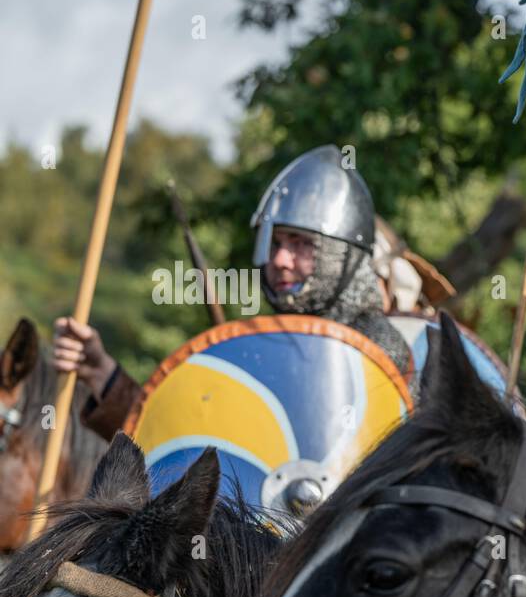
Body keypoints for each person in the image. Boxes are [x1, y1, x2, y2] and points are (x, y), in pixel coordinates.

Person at [54, 145, 414, 441]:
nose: (280, 259)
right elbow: (181, 442)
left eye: (301, 244)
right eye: (274, 242)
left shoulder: (380, 349)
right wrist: (103, 374)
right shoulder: (262, 349)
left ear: (344, 253)